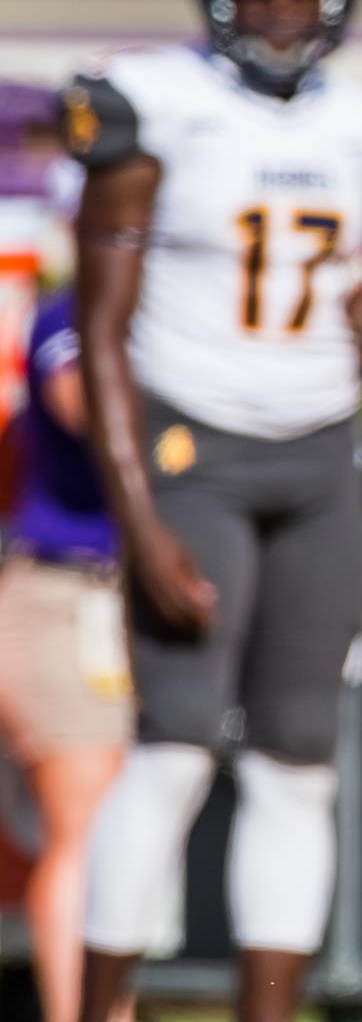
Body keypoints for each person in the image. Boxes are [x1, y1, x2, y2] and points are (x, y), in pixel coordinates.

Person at [62, 0, 362, 1022]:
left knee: (297, 761)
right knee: (174, 749)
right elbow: (99, 330)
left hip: (321, 450)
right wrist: (137, 516)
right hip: (196, 447)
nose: (282, 11)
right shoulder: (148, 102)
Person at [0, 292, 131, 1022]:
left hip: (129, 605)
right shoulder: (70, 315)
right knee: (86, 827)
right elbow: (88, 405)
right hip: (64, 593)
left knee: (120, 832)